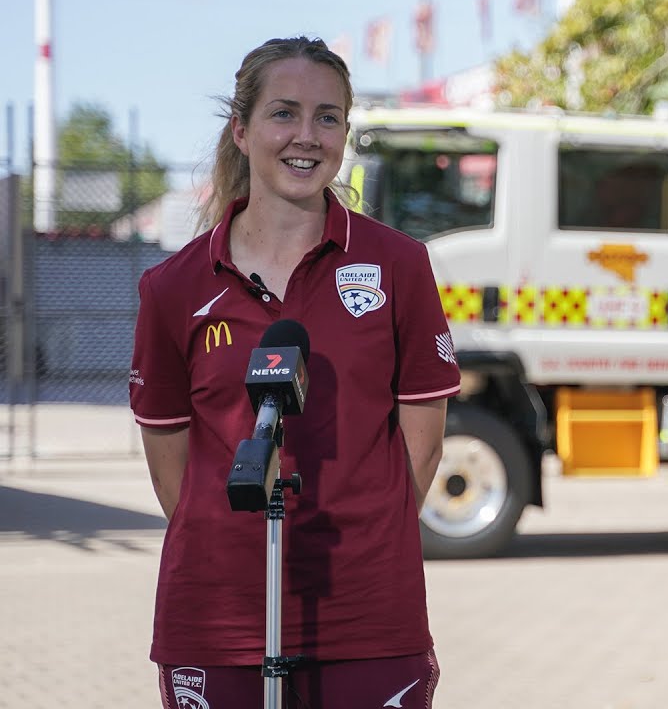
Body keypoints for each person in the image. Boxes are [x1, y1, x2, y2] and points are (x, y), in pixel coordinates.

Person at [129, 37, 459, 708]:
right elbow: (174, 471)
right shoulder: (172, 286)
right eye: (285, 113)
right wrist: (238, 546)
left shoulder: (397, 266)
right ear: (242, 130)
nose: (306, 136)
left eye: (328, 117)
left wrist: (365, 542)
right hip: (218, 621)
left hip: (369, 616)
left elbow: (420, 444)